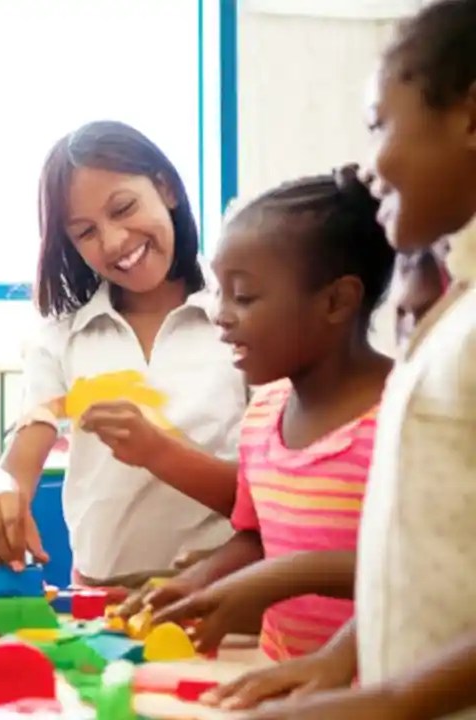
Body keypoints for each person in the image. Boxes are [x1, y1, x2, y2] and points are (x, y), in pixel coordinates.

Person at [210, 2, 476, 717]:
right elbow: (415, 566)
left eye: (380, 123)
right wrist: (340, 658)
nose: (369, 163)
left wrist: (392, 699)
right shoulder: (457, 316)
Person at [124, 165, 394, 663]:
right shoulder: (263, 414)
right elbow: (257, 536)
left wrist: (273, 579)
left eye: (244, 296)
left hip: (379, 692)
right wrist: (195, 581)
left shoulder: (401, 416)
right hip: (281, 679)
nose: (220, 314)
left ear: (336, 301)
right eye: (219, 291)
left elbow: (411, 568)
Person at [0, 120, 245, 586]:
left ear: (167, 189)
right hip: (101, 602)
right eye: (86, 232)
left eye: (124, 208)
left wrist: (156, 450)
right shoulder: (63, 338)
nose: (114, 241)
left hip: (226, 595)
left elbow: (271, 500)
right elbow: (16, 469)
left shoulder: (241, 316)